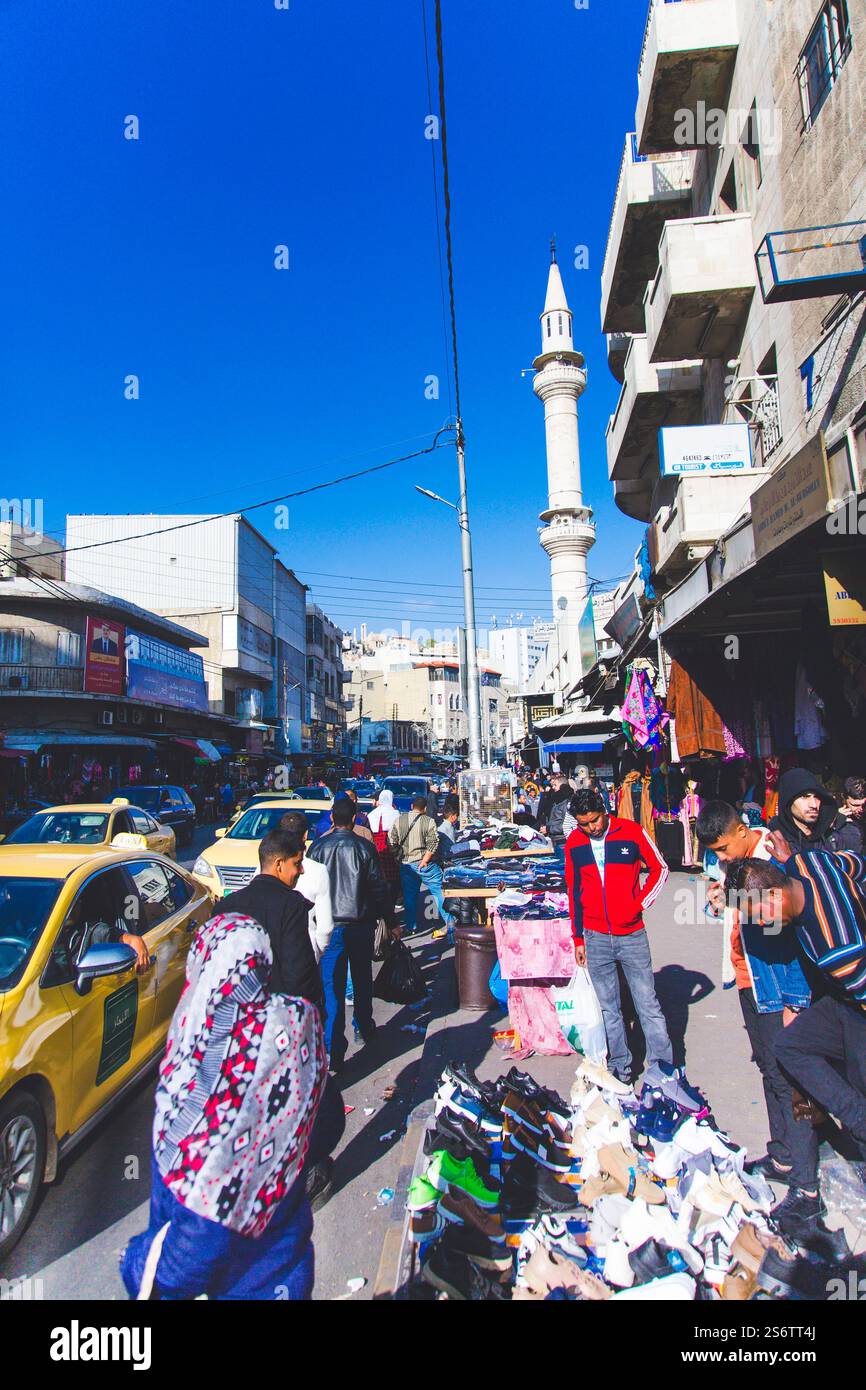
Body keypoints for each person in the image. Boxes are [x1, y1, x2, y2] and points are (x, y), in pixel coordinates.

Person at [120, 913, 326, 1300]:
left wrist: (135, 1262)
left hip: (235, 1286)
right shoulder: (300, 1024)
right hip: (289, 1266)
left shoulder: (196, 1057)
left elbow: (194, 1250)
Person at [730, 838, 866, 1229]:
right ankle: (806, 1187)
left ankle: (856, 1118)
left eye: (759, 915)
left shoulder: (839, 949)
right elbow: (856, 863)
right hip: (838, 1001)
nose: (763, 925)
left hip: (855, 1006)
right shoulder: (808, 863)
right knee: (788, 1046)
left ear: (773, 895)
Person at [697, 801, 817, 1200]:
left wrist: (795, 1002)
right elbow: (740, 915)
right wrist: (719, 902)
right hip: (750, 978)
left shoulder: (771, 859)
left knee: (789, 1080)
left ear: (741, 832)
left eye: (723, 849)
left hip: (776, 986)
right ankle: (782, 1153)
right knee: (769, 1070)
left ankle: (805, 1178)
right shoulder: (738, 861)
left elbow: (791, 934)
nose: (721, 858)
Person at [564, 787, 671, 1085]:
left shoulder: (631, 831)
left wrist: (638, 904)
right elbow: (574, 892)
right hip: (595, 936)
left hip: (632, 934)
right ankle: (621, 1068)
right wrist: (578, 938)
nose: (591, 828)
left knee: (647, 1004)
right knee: (609, 1008)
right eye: (584, 824)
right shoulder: (575, 842)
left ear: (604, 811)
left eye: (595, 821)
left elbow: (660, 868)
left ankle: (664, 1069)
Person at [307, 798, 389, 1073]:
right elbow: (378, 887)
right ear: (354, 819)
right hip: (360, 924)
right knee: (362, 978)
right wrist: (388, 919)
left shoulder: (318, 847)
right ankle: (363, 1026)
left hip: (330, 927)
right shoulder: (363, 847)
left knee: (333, 987)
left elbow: (307, 891)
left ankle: (333, 1046)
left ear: (332, 818)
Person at [220, 827, 322, 1010]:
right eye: (297, 863)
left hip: (236, 1018)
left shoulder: (226, 906)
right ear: (279, 864)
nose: (302, 870)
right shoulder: (292, 905)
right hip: (277, 1018)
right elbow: (298, 972)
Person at [389, 794, 453, 936]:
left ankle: (411, 926)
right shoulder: (428, 821)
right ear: (425, 809)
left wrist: (397, 857)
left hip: (406, 863)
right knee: (438, 892)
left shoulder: (399, 820)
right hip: (425, 864)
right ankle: (450, 923)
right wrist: (425, 859)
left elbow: (391, 840)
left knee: (410, 897)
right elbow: (434, 842)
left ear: (412, 806)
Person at [279, 811, 334, 961]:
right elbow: (325, 927)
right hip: (305, 952)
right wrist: (317, 952)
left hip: (273, 957)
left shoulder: (264, 868)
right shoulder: (317, 870)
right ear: (305, 835)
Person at [768, 767, 837, 853]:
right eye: (805, 797)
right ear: (788, 800)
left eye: (817, 797)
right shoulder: (774, 840)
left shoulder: (832, 838)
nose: (814, 805)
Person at [367, 789, 402, 935]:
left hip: (376, 856)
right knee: (391, 890)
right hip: (391, 855)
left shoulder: (371, 814)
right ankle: (389, 918)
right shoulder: (396, 814)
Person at [827, 776, 866, 854]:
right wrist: (831, 824)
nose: (861, 809)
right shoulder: (830, 813)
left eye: (864, 805)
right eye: (855, 805)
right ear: (844, 798)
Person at [537, 773, 574, 846]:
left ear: (563, 786)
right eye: (552, 785)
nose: (553, 787)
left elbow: (567, 825)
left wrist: (549, 829)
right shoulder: (555, 800)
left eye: (555, 785)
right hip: (553, 839)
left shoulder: (566, 803)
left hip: (562, 840)